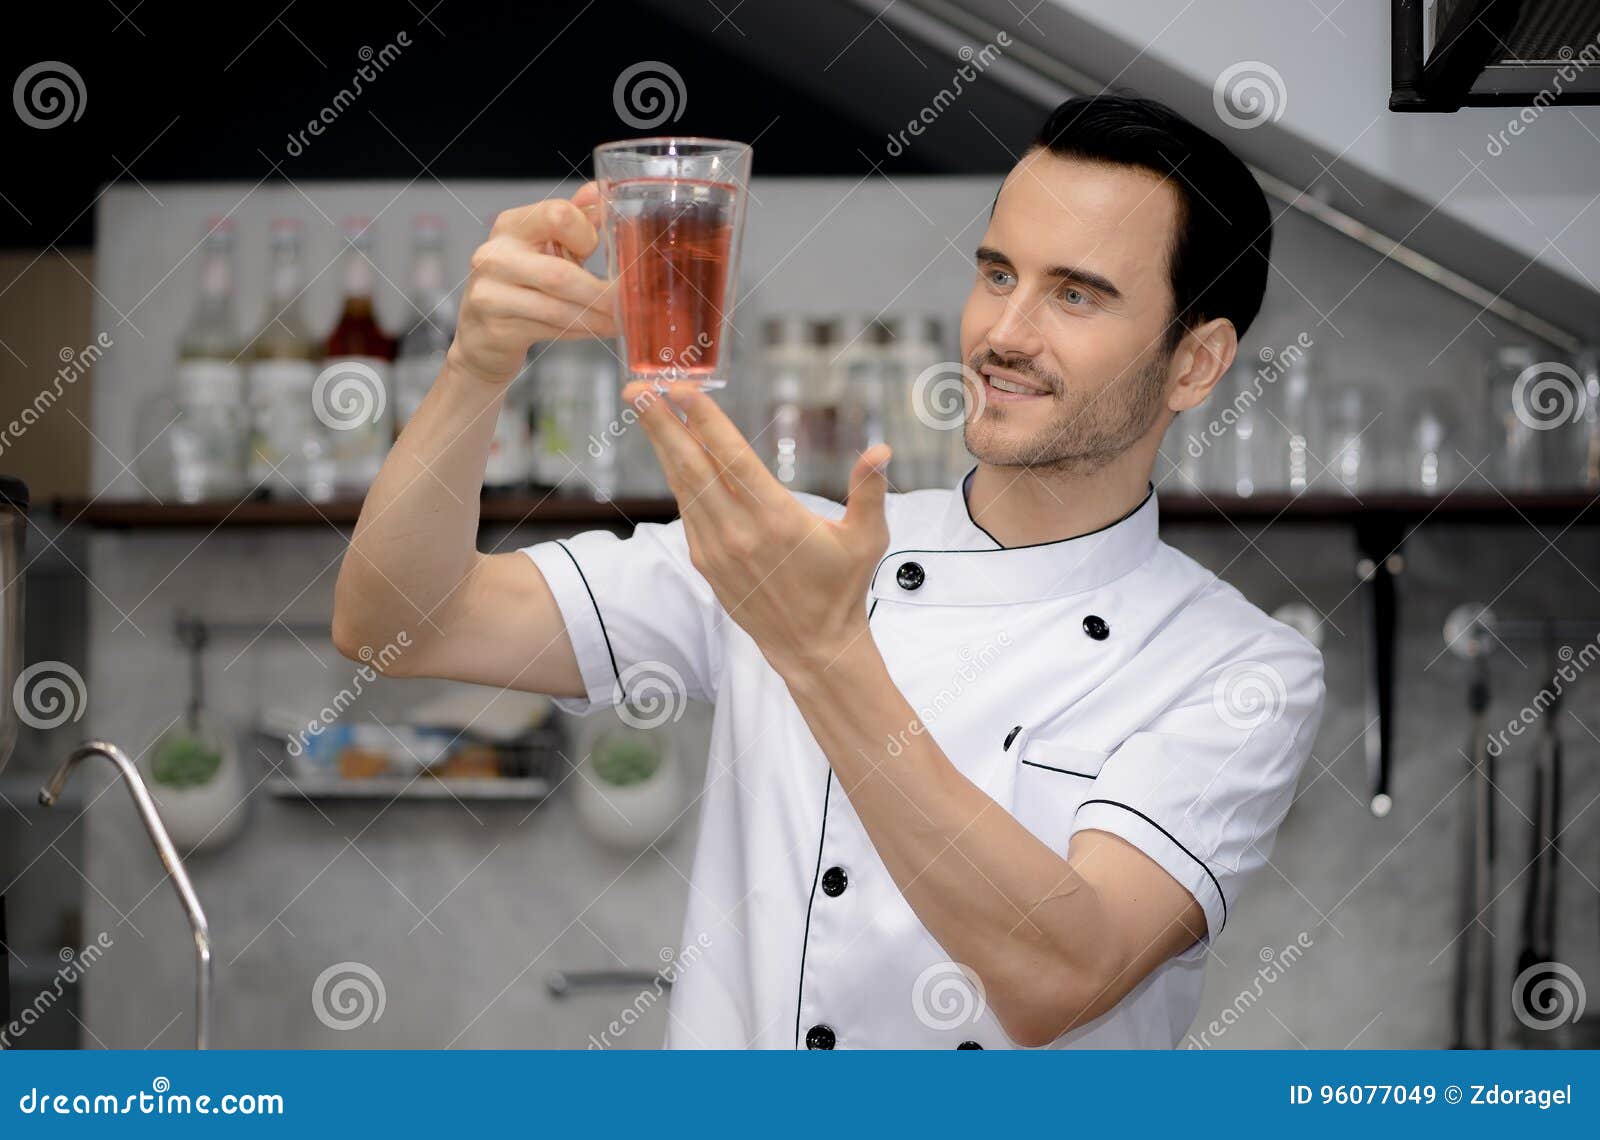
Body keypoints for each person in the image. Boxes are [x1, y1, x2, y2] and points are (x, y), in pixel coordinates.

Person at [332, 93, 1325, 1049]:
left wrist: (818, 649)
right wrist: (474, 370)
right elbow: (400, 626)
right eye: (996, 275)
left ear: (1194, 365)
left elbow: (1057, 979)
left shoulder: (1238, 669)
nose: (1004, 334)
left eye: (1074, 294)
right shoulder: (785, 546)